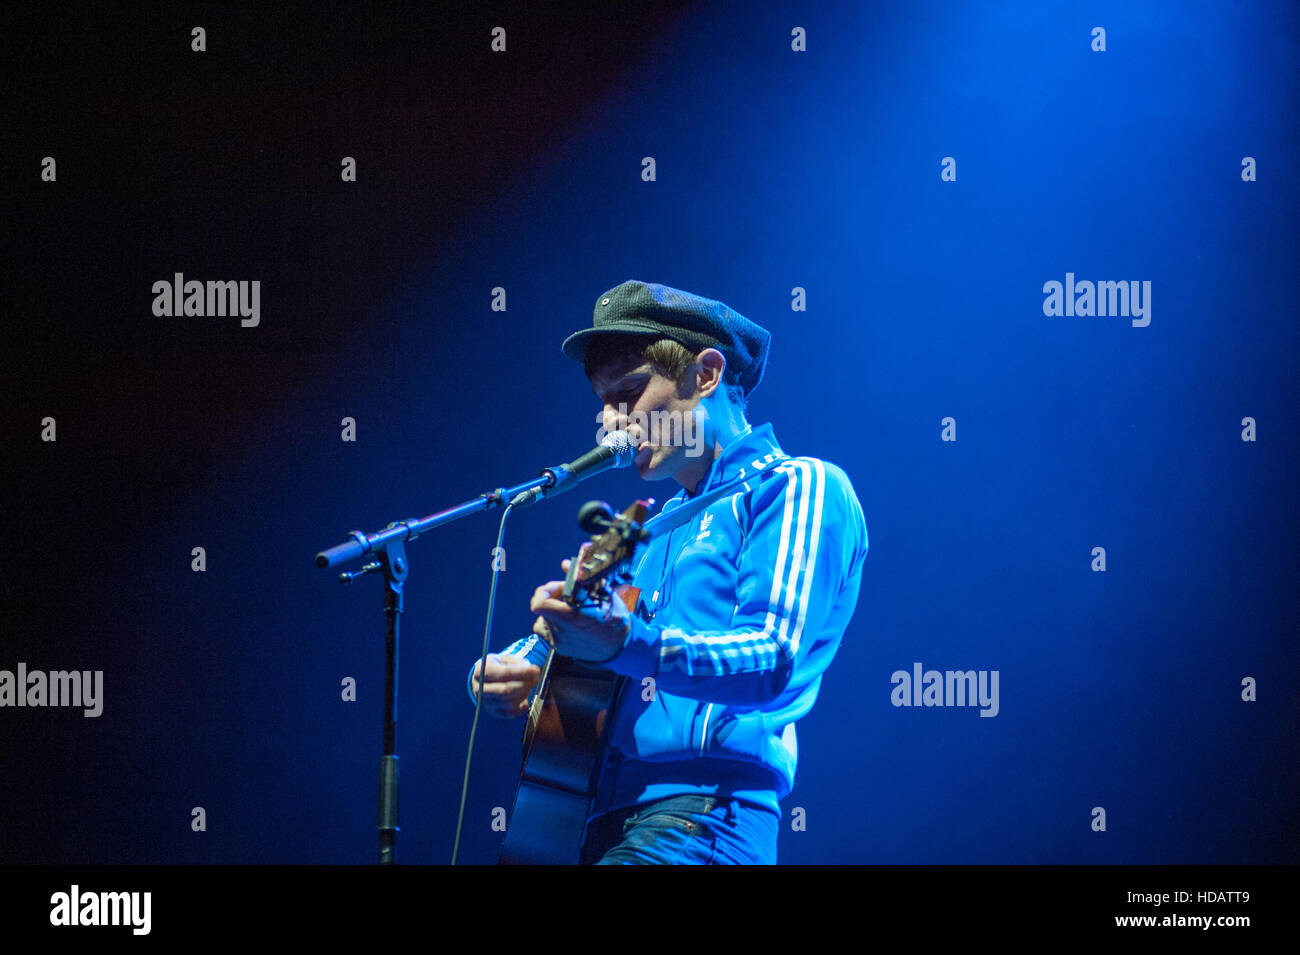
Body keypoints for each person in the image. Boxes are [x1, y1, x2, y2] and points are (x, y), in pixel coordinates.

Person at [469, 279, 868, 864]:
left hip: (708, 816)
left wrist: (624, 642)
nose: (610, 424)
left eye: (627, 394)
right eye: (602, 404)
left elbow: (770, 656)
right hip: (591, 822)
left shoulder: (796, 485)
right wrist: (509, 670)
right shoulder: (640, 531)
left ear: (705, 374)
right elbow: (570, 649)